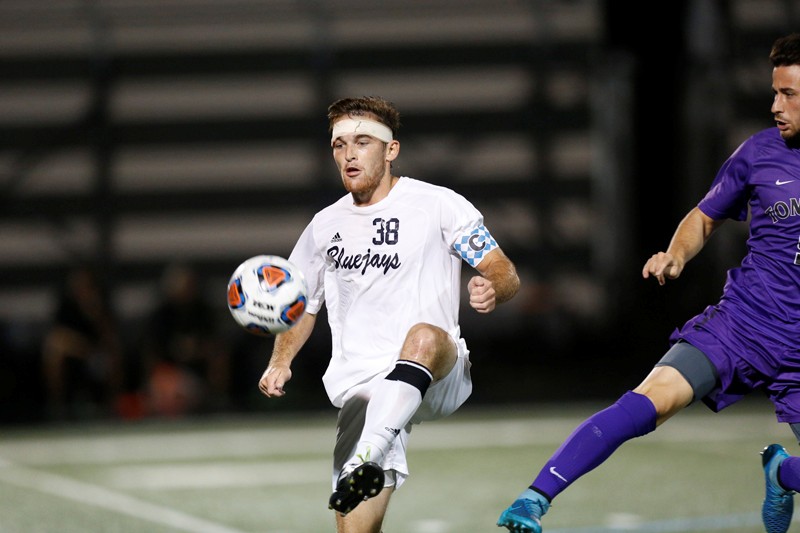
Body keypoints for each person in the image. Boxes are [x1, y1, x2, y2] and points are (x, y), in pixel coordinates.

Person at [497, 32, 800, 533]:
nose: (774, 105)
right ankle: (533, 499)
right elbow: (703, 218)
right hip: (743, 322)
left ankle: (781, 471)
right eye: (774, 92)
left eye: (788, 94)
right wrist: (675, 255)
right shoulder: (757, 155)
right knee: (650, 401)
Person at [258, 95, 520, 533]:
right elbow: (302, 303)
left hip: (436, 369)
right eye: (339, 144)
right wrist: (280, 360)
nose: (349, 153)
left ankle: (368, 454)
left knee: (424, 335)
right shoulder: (324, 225)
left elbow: (502, 268)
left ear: (391, 149)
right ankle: (371, 454)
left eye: (362, 141)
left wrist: (493, 286)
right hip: (362, 389)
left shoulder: (438, 204)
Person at [41, 264, 124, 420]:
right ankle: (58, 407)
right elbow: (58, 336)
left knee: (113, 358)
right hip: (75, 354)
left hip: (97, 356)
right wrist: (81, 348)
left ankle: (111, 407)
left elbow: (110, 338)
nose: (81, 289)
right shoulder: (66, 306)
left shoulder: (100, 304)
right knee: (54, 352)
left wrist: (94, 313)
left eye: (85, 285)